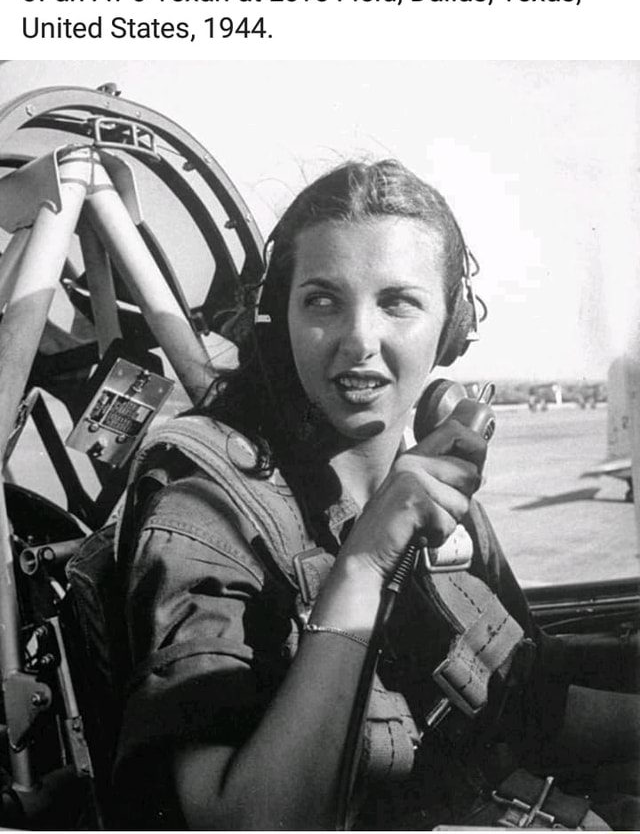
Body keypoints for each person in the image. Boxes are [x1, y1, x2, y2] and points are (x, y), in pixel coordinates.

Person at [110, 159, 639, 830]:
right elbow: (244, 821)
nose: (359, 339)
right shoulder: (205, 513)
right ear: (278, 320)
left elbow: (524, 704)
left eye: (398, 302)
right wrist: (365, 563)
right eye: (322, 301)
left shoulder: (429, 489)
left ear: (451, 328)